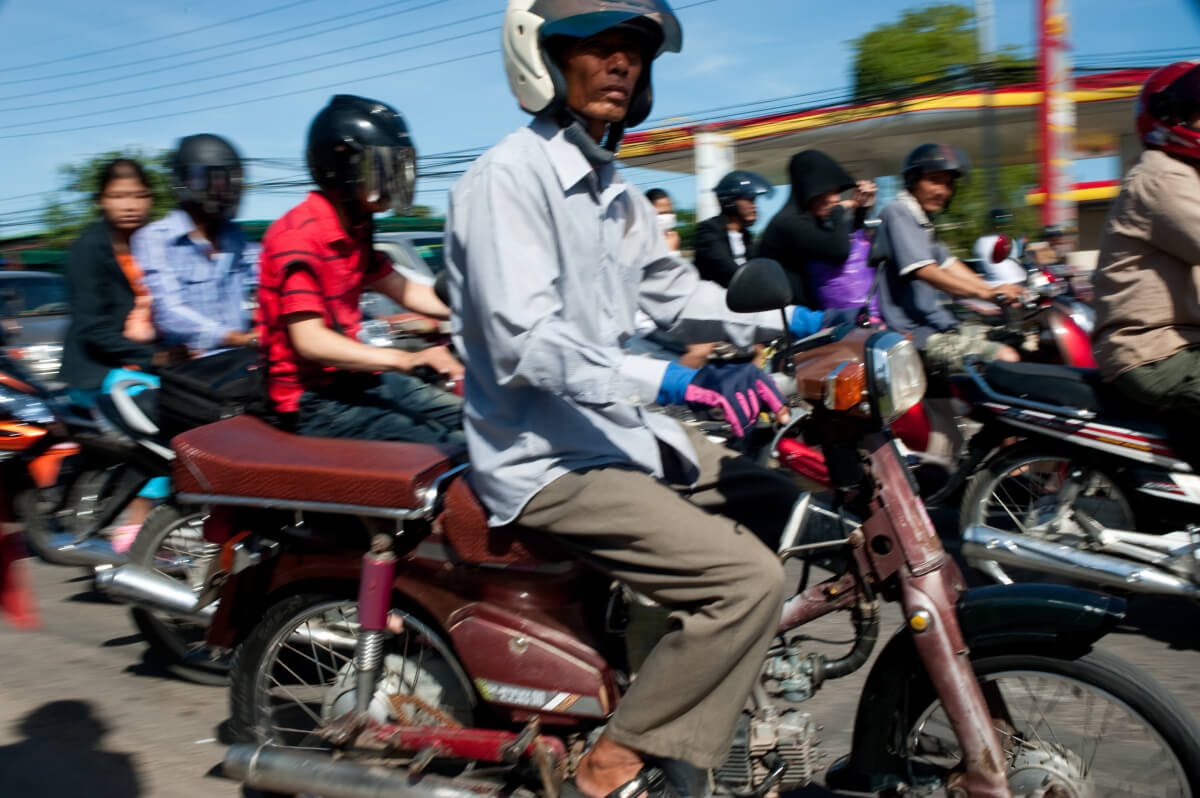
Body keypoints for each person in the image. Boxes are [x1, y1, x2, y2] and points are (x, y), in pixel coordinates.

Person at [446, 3, 832, 796]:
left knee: (801, 510)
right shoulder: (505, 180)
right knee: (745, 583)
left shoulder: (614, 191)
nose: (622, 65)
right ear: (546, 57)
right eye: (599, 47)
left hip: (622, 432)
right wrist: (674, 380)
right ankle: (614, 761)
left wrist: (798, 320)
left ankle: (693, 685)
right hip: (546, 459)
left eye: (635, 53)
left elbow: (676, 294)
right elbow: (527, 343)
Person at [256, 94, 463, 445]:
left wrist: (478, 307)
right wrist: (406, 360)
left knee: (479, 419)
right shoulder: (298, 236)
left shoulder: (356, 228)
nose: (394, 178)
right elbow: (311, 341)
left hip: (358, 379)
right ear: (343, 168)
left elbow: (405, 289)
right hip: (314, 400)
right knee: (456, 452)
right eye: (382, 168)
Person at [59, 158, 163, 552]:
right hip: (97, 369)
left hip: (132, 364)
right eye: (118, 196)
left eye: (138, 194)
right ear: (101, 200)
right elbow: (92, 326)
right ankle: (134, 536)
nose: (129, 204)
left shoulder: (147, 243)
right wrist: (153, 358)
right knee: (163, 424)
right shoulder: (90, 247)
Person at [1092, 61, 1200, 429]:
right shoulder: (1162, 176)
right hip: (1153, 352)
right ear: (1172, 116)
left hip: (1177, 344)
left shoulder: (1184, 175)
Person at [875, 143, 1024, 379]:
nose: (942, 191)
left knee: (1022, 339)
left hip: (936, 324)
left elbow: (949, 264)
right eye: (934, 180)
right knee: (1006, 358)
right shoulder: (898, 212)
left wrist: (993, 289)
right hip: (913, 335)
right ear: (914, 180)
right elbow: (926, 271)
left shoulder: (922, 222)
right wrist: (987, 295)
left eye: (947, 184)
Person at [133, 134, 256, 359]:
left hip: (246, 364)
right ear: (187, 182)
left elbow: (261, 285)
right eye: (218, 179)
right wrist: (240, 339)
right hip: (194, 372)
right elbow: (170, 313)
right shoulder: (156, 239)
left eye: (233, 179)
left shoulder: (237, 238)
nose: (229, 188)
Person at [756, 149, 877, 313]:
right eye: (830, 191)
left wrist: (861, 210)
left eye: (837, 192)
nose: (837, 199)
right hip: (791, 320)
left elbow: (847, 242)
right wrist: (838, 212)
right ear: (811, 189)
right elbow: (838, 252)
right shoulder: (789, 223)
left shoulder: (810, 220)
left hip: (812, 314)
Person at [692, 169, 773, 287]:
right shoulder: (708, 231)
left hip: (742, 299)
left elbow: (757, 265)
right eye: (749, 199)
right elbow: (726, 269)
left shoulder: (745, 235)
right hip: (715, 300)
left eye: (754, 200)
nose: (754, 206)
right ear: (730, 201)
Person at [973, 208, 1027, 287]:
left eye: (1004, 224)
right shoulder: (983, 241)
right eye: (1000, 224)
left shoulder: (1009, 241)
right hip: (1001, 286)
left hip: (1016, 283)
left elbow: (1015, 261)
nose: (1003, 227)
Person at [645, 187, 681, 255]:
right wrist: (672, 252)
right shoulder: (641, 243)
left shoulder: (672, 240)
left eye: (670, 212)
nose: (668, 216)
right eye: (662, 213)